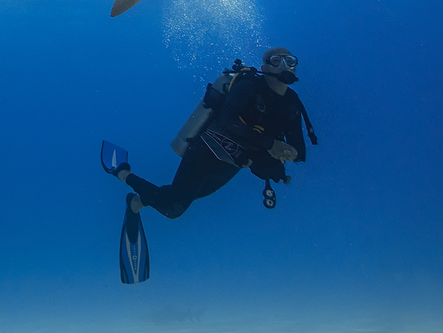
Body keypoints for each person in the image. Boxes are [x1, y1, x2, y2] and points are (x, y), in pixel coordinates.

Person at [111, 47, 311, 219]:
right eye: (277, 61)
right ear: (265, 68)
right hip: (206, 150)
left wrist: (287, 156)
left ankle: (137, 202)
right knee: (174, 208)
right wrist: (270, 145)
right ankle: (123, 173)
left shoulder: (291, 101)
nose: (285, 65)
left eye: (290, 60)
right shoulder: (248, 86)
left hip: (235, 161)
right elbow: (227, 122)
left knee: (185, 195)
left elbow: (297, 147)